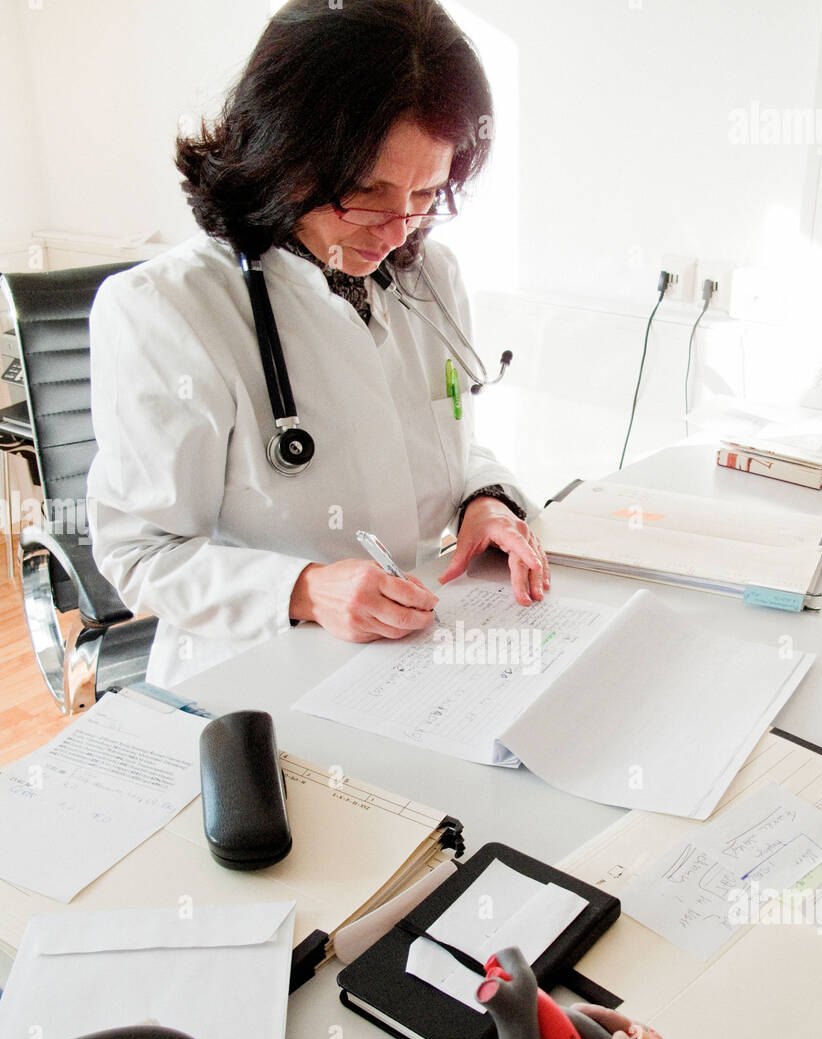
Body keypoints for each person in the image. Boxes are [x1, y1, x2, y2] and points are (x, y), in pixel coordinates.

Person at [87, 0, 548, 688]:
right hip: (253, 674)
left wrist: (484, 501)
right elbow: (141, 554)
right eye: (366, 192)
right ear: (281, 154)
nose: (398, 230)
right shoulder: (168, 308)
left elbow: (431, 443)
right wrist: (304, 590)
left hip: (415, 656)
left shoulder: (428, 275)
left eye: (426, 191)